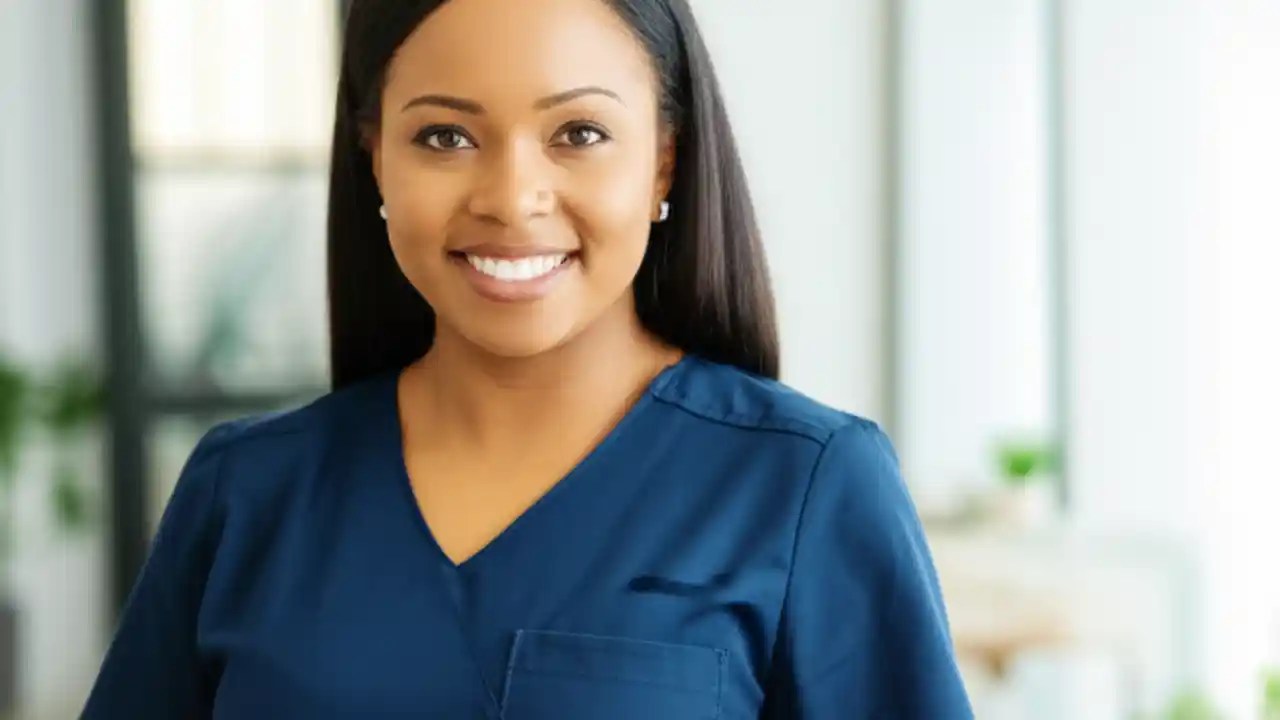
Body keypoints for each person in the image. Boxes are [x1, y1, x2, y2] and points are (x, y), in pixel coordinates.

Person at [82, 0, 973, 717]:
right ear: (375, 159)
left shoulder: (805, 486)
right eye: (445, 137)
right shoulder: (246, 493)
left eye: (579, 133)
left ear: (665, 160)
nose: (512, 198)